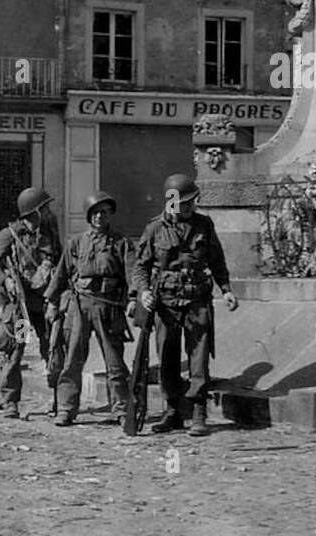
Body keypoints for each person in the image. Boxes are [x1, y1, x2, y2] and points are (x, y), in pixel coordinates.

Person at [128, 173, 237, 438]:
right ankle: (173, 412)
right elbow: (140, 267)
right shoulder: (154, 229)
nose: (190, 207)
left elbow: (217, 260)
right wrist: (142, 293)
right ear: (171, 203)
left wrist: (226, 290)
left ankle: (198, 413)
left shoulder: (204, 225)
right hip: (165, 303)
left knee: (198, 358)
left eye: (192, 203)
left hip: (197, 300)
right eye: (185, 203)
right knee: (167, 357)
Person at [44, 192, 132, 428]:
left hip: (109, 307)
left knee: (115, 363)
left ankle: (122, 409)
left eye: (103, 212)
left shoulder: (121, 243)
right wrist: (53, 303)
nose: (99, 217)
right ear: (88, 216)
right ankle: (66, 408)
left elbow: (132, 275)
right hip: (79, 306)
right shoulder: (76, 243)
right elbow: (61, 275)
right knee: (72, 360)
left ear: (110, 214)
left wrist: (134, 300)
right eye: (94, 213)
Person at [0, 187, 61, 419]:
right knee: (16, 351)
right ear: (34, 211)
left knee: (52, 349)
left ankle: (59, 401)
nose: (48, 211)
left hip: (43, 304)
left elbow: (60, 262)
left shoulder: (50, 233)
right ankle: (11, 402)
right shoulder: (10, 235)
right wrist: (6, 280)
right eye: (45, 208)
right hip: (22, 307)